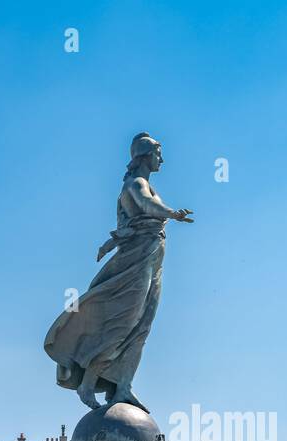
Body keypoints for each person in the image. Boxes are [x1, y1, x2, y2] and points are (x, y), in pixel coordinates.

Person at [43, 132, 193, 411]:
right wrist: (172, 213)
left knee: (142, 326)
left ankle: (122, 386)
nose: (162, 159)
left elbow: (132, 223)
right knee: (125, 322)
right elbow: (146, 206)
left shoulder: (146, 184)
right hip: (136, 261)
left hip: (152, 258)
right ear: (146, 155)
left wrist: (111, 241)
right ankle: (88, 383)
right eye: (159, 153)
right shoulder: (136, 184)